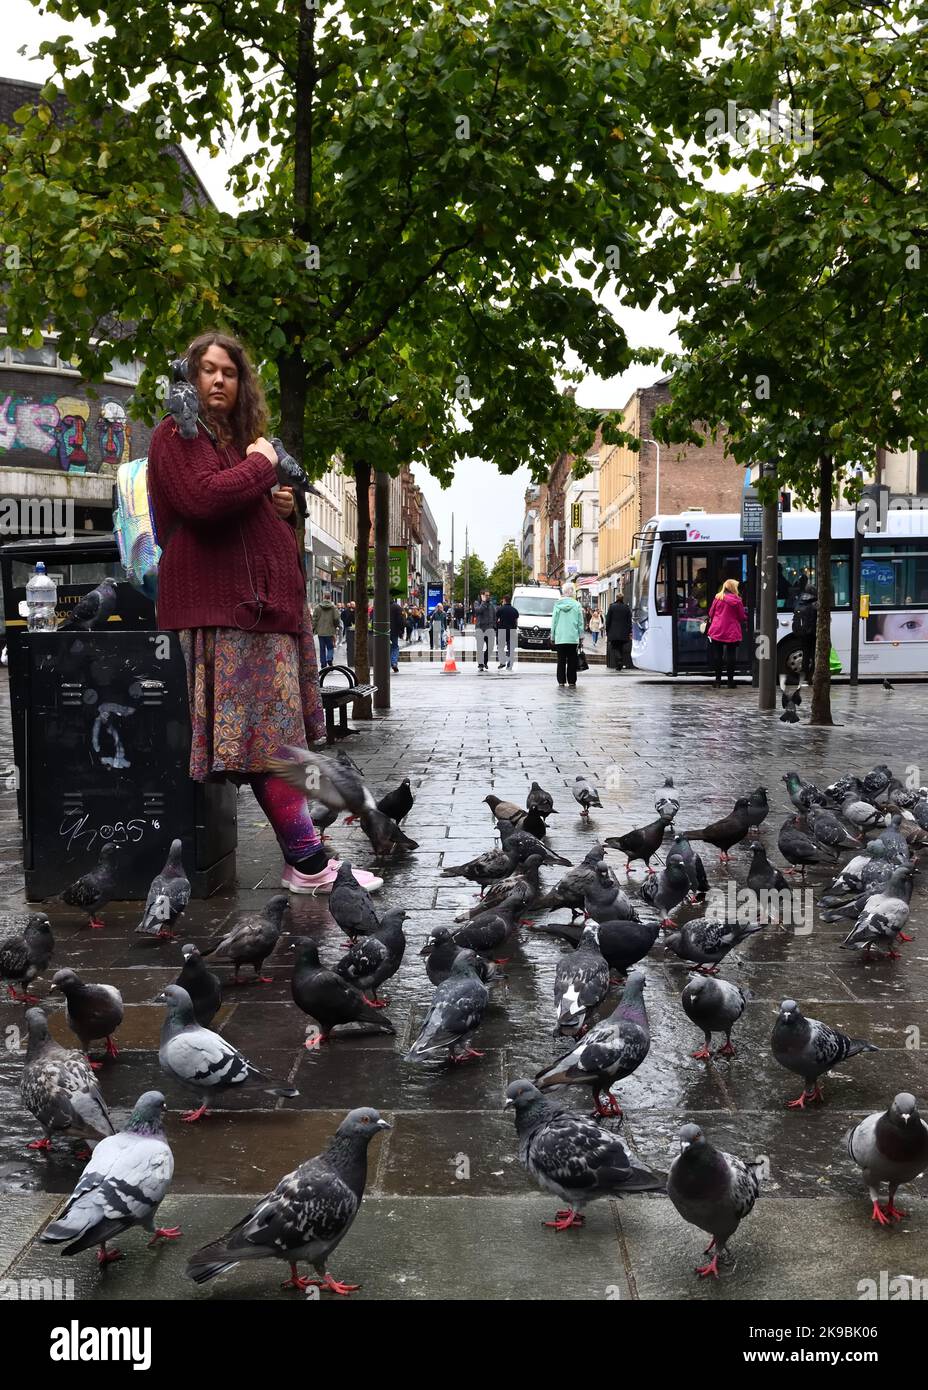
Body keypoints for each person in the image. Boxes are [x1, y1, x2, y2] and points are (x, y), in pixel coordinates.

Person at [147, 329, 381, 895]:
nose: (219, 380)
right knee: (269, 749)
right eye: (208, 370)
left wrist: (281, 502)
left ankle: (319, 845)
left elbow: (245, 504)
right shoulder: (177, 436)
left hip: (267, 615)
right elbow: (202, 501)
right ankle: (308, 860)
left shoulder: (236, 442)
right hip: (230, 617)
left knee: (277, 746)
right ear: (190, 378)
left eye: (229, 371)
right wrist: (261, 465)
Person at [706, 577, 748, 687]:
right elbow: (741, 616)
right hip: (731, 631)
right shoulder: (737, 600)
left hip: (717, 630)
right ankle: (730, 682)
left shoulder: (718, 598)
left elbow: (710, 614)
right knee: (731, 655)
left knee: (718, 655)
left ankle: (718, 681)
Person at [550, 582, 584, 687]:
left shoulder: (557, 605)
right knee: (572, 660)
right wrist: (581, 636)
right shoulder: (577, 605)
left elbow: (554, 622)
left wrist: (552, 636)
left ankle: (561, 681)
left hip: (560, 637)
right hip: (572, 637)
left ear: (563, 592)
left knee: (561, 660)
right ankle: (572, 681)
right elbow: (580, 622)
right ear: (572, 592)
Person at [792, 590, 818, 680]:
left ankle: (804, 677)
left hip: (802, 633)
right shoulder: (815, 603)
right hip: (812, 634)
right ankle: (813, 676)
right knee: (814, 655)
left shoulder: (800, 601)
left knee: (805, 655)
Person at [312, 590, 341, 670]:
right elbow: (336, 618)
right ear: (330, 597)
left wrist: (313, 628)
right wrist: (336, 626)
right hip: (330, 631)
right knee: (330, 647)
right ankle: (329, 658)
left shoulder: (318, 607)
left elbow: (314, 619)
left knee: (322, 649)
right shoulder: (333, 607)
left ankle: (323, 664)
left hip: (321, 632)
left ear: (323, 597)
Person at [605, 592, 633, 670]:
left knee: (615, 647)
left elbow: (608, 620)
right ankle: (619, 664)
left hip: (613, 632)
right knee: (620, 647)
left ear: (616, 598)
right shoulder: (626, 608)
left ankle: (619, 660)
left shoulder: (612, 607)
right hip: (624, 632)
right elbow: (629, 621)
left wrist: (607, 630)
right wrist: (630, 631)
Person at [473, 589, 497, 671]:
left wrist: (494, 626)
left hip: (489, 629)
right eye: (486, 595)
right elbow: (478, 611)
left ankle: (485, 661)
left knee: (490, 647)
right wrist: (483, 602)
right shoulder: (477, 603)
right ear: (482, 595)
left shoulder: (491, 605)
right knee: (480, 647)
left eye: (488, 595)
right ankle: (480, 664)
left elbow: (494, 616)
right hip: (480, 629)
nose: (488, 597)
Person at [495, 594, 520, 671]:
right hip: (512, 631)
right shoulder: (515, 610)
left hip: (502, 631)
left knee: (500, 647)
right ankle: (510, 664)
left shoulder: (500, 609)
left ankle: (502, 662)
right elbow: (516, 621)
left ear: (504, 600)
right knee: (511, 649)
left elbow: (496, 619)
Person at [390, 598, 405, 673]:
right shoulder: (397, 607)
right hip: (394, 631)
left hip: (382, 631)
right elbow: (401, 621)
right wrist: (401, 632)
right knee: (394, 647)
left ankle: (386, 663)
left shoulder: (380, 605)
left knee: (385, 647)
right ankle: (394, 662)